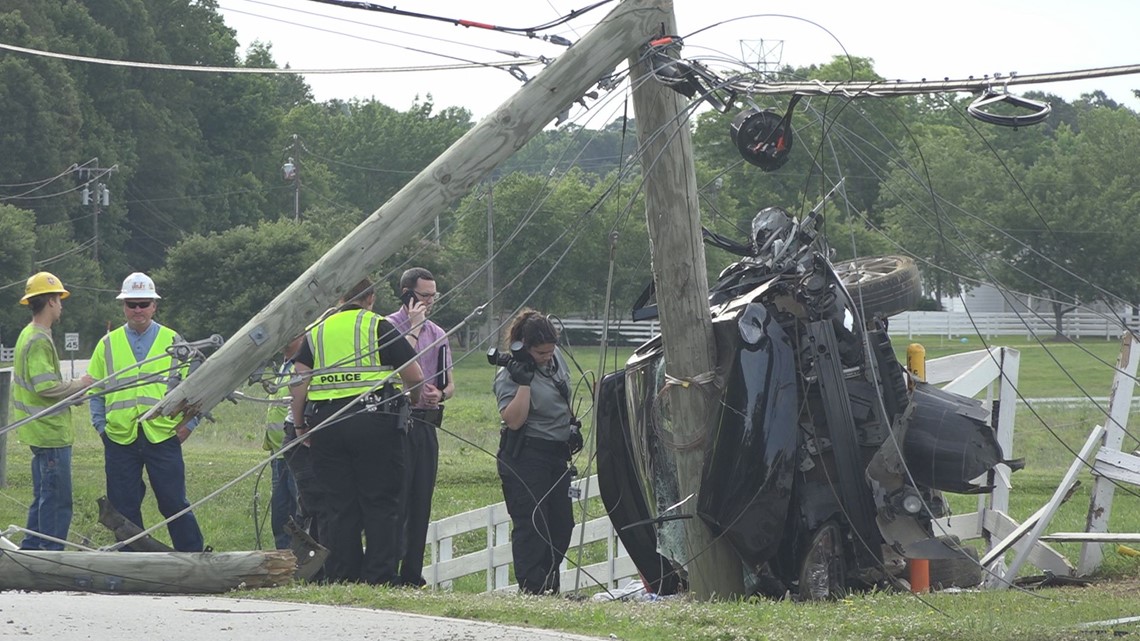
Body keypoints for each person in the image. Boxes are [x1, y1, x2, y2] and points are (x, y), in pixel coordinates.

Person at [289, 278, 424, 584]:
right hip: (373, 422)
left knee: (339, 504)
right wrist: (412, 400)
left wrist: (299, 426)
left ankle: (344, 575)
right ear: (371, 298)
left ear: (339, 297)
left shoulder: (318, 332)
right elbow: (415, 375)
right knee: (381, 501)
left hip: (327, 424)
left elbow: (298, 382)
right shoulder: (377, 326)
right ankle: (379, 575)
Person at [87, 272, 205, 552]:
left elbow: (198, 389)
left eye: (144, 303)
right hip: (119, 438)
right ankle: (132, 559)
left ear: (154, 306)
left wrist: (190, 425)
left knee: (173, 502)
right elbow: (95, 391)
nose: (137, 309)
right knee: (123, 505)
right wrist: (101, 426)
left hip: (163, 436)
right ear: (123, 307)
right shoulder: (107, 344)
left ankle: (193, 557)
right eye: (132, 304)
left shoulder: (174, 341)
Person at [493, 309, 580, 595]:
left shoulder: (555, 360)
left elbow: (563, 392)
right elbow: (514, 419)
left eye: (550, 351)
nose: (546, 357)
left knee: (562, 524)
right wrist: (524, 384)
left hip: (557, 453)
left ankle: (551, 582)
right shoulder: (511, 371)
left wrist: (572, 424)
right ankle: (532, 588)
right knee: (533, 525)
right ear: (524, 347)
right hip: (526, 455)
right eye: (540, 352)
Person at [12, 272, 94, 550]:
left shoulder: (30, 334)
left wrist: (71, 397)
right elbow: (45, 385)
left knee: (43, 495)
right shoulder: (37, 339)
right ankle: (51, 554)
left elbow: (44, 389)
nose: (61, 305)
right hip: (49, 433)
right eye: (59, 299)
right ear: (49, 301)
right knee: (57, 499)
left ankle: (32, 548)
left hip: (41, 430)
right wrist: (79, 385)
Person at [387, 267, 454, 587]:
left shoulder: (438, 334)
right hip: (397, 422)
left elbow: (450, 384)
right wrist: (413, 327)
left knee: (420, 499)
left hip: (426, 422)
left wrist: (440, 392)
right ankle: (389, 566)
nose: (429, 302)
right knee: (395, 498)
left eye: (433, 296)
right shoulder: (388, 327)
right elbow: (399, 368)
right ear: (406, 294)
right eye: (424, 295)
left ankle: (412, 572)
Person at [264, 337, 301, 550]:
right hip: (278, 452)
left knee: (299, 507)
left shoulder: (301, 363)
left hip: (295, 449)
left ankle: (303, 556)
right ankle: (283, 555)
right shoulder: (285, 365)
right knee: (280, 511)